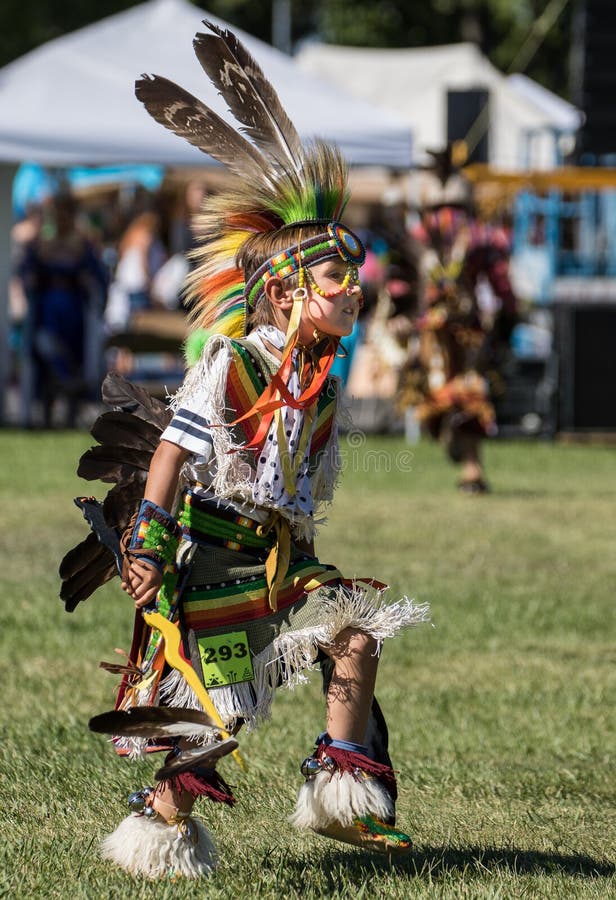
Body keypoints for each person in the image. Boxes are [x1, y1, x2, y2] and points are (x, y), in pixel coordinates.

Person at [60, 22, 429, 880]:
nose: (354, 293)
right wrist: (149, 539)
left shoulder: (321, 385)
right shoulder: (235, 364)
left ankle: (341, 797)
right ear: (291, 289)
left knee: (355, 638)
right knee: (215, 728)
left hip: (278, 554)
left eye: (354, 278)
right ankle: (157, 827)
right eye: (338, 280)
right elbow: (176, 454)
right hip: (215, 562)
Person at [399, 145, 518, 492]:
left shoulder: (420, 230)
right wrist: (509, 316)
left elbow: (397, 279)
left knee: (436, 391)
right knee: (469, 393)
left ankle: (465, 458)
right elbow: (501, 281)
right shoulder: (479, 232)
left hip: (430, 333)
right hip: (468, 332)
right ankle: (471, 466)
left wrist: (400, 319)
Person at [18, 193, 107, 427]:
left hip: (74, 314)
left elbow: (97, 276)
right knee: (45, 350)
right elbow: (27, 272)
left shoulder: (82, 244)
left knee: (73, 357)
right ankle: (64, 385)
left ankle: (71, 398)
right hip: (47, 313)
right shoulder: (39, 244)